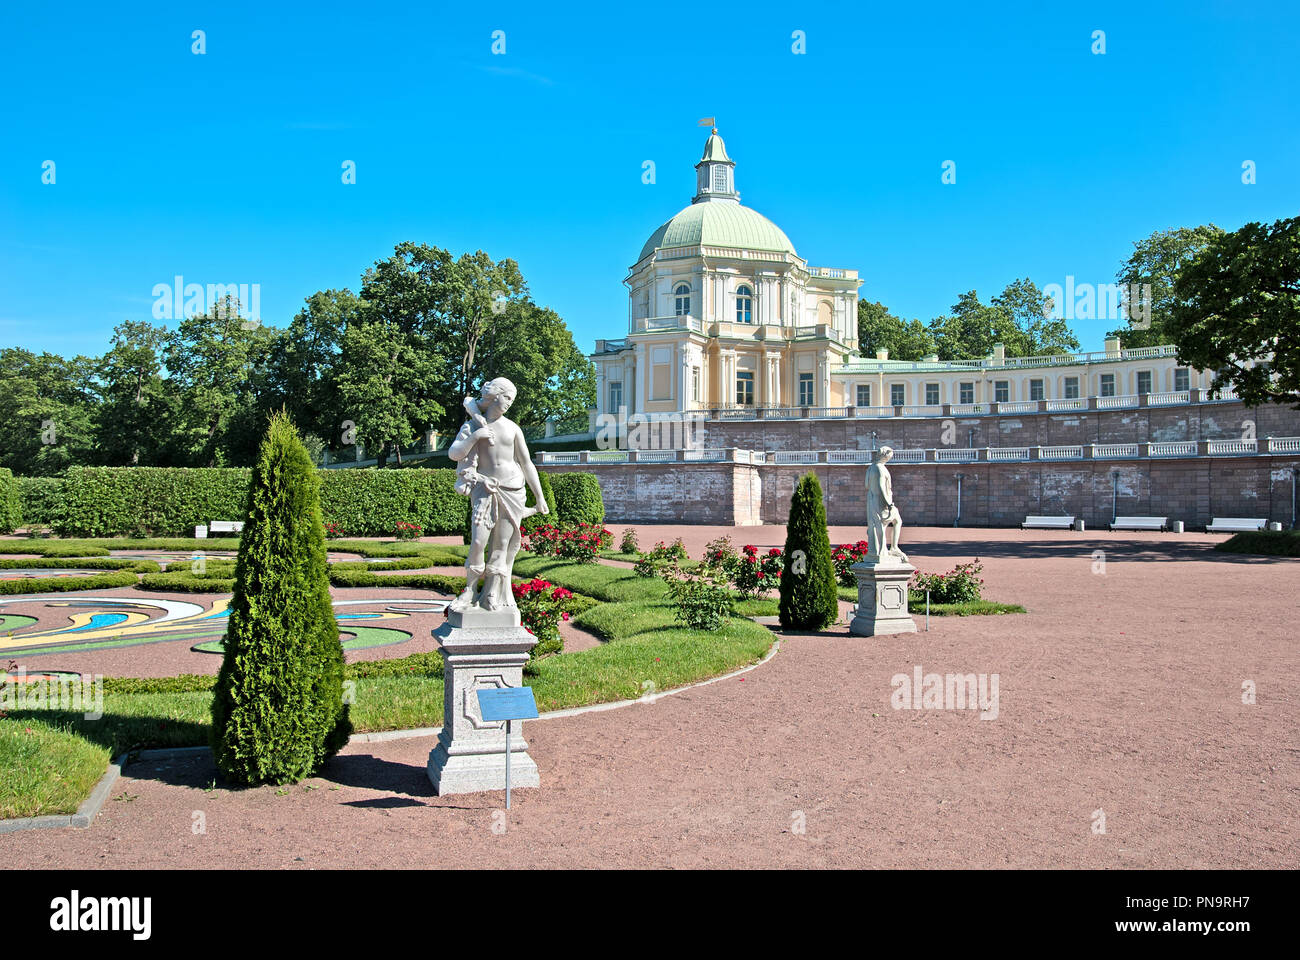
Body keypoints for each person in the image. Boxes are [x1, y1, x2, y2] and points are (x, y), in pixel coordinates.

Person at [446, 377, 549, 613]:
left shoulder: (513, 428)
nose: (510, 403)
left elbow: (526, 463)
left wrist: (539, 496)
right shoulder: (473, 426)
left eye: (513, 399)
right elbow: (454, 453)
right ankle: (470, 590)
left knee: (502, 544)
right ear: (495, 396)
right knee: (479, 541)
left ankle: (492, 592)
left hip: (513, 488)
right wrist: (476, 437)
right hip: (485, 488)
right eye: (508, 398)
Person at [866, 446, 907, 563]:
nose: (890, 457)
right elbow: (881, 486)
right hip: (882, 500)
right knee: (896, 521)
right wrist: (888, 503)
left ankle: (879, 550)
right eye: (890, 455)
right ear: (885, 455)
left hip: (872, 499)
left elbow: (866, 485)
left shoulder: (871, 468)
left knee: (880, 525)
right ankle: (893, 547)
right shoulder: (880, 468)